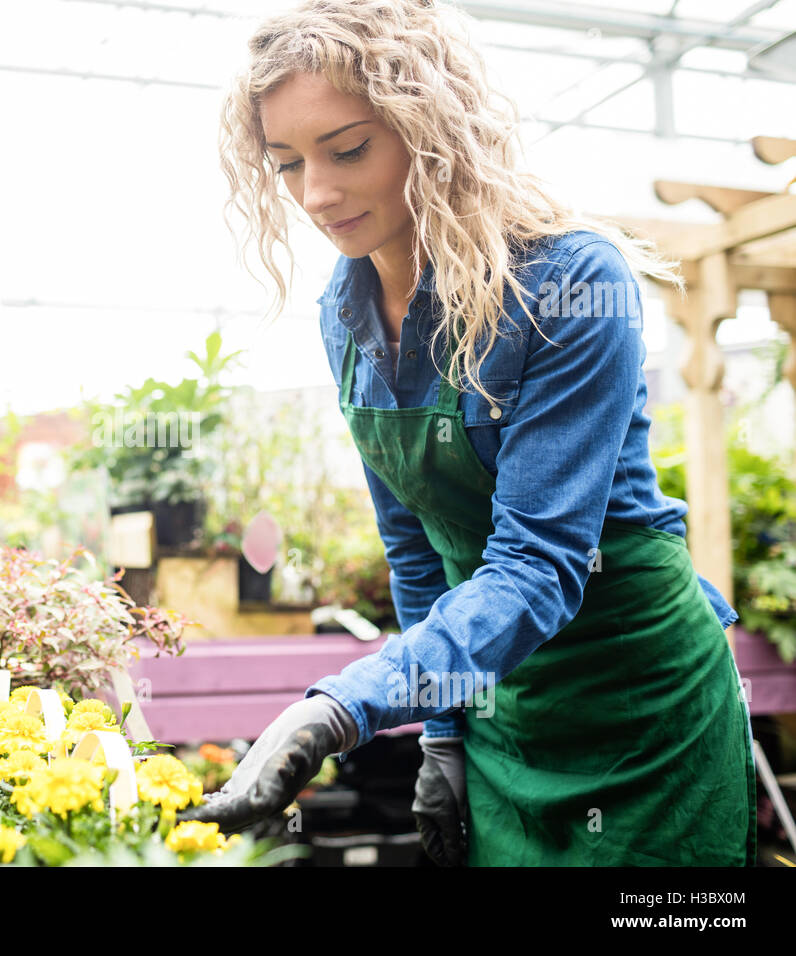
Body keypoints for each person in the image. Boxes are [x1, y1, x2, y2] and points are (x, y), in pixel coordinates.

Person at [178, 0, 757, 866]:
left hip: (640, 706)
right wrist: (441, 733)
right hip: (496, 709)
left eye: (348, 149)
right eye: (286, 162)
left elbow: (535, 566)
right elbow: (418, 550)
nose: (317, 195)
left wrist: (341, 706)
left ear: (431, 128)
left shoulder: (565, 285)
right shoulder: (345, 314)